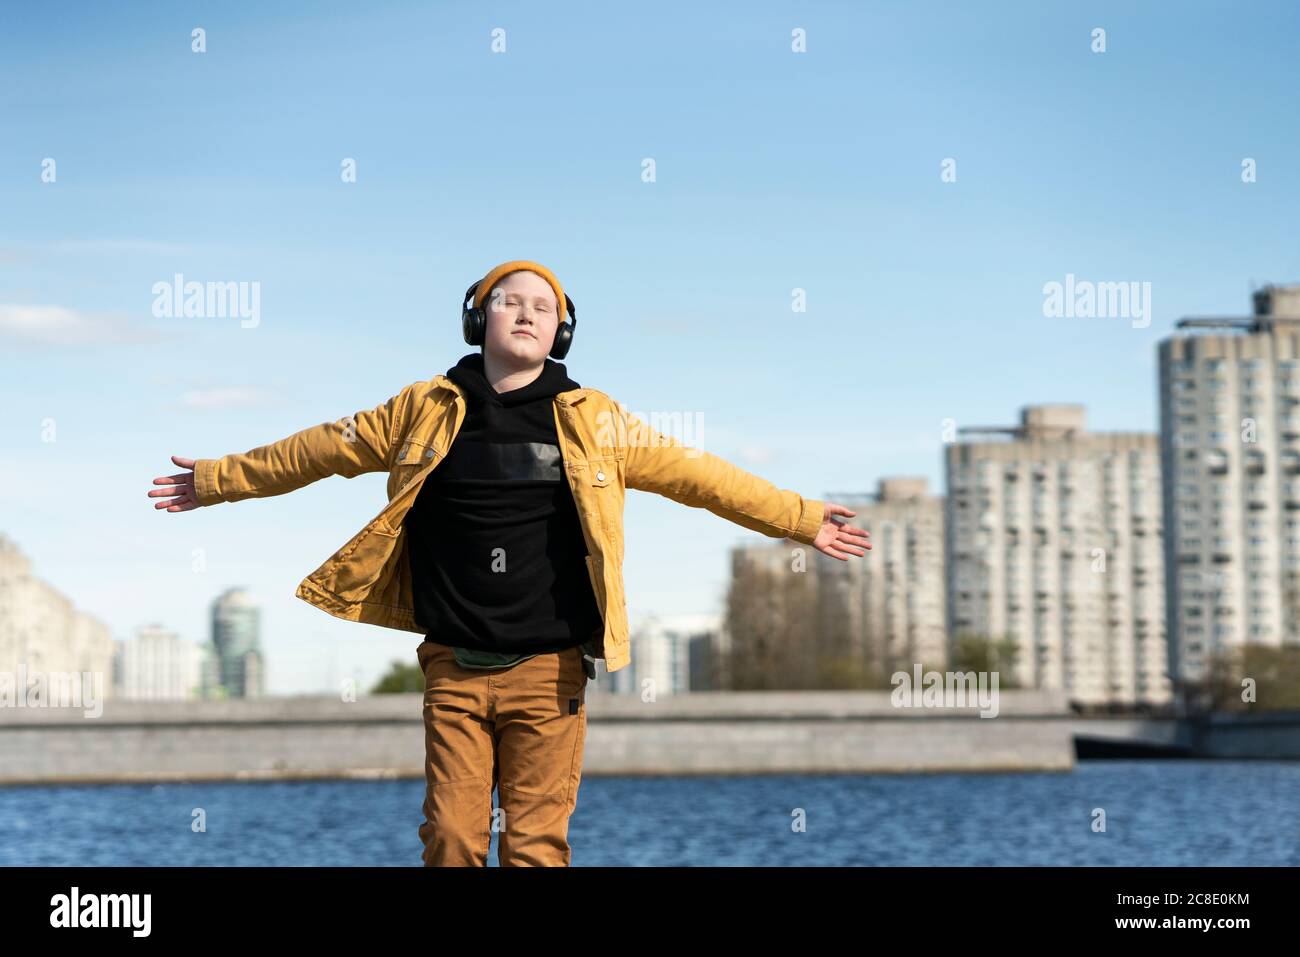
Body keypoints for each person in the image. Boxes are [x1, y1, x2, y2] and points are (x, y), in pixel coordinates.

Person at [149, 259, 871, 865]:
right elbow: (319, 448)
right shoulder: (423, 408)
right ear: (478, 320)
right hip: (455, 666)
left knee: (533, 847)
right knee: (455, 840)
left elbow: (701, 475)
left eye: (543, 306)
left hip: (549, 671)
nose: (526, 314)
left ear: (562, 329)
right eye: (508, 303)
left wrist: (802, 518)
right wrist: (218, 478)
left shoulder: (597, 420)